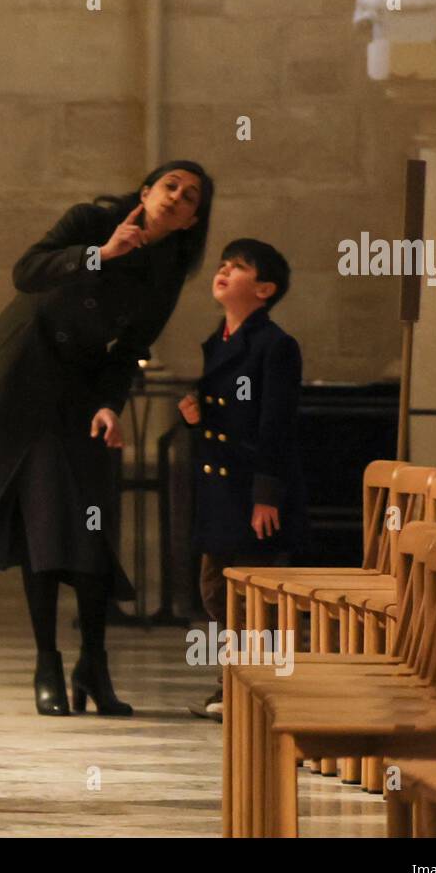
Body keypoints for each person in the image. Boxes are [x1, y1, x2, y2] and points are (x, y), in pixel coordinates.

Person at [0, 162, 215, 716]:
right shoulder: (92, 219)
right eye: (170, 186)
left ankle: (93, 661)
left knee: (92, 516)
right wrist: (101, 253)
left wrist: (111, 404)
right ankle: (46, 664)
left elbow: (131, 348)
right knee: (43, 516)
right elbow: (27, 271)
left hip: (84, 386)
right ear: (146, 192)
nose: (177, 197)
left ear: (190, 222)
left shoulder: (168, 272)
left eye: (190, 198)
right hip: (23, 374)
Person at [178, 239, 306, 722]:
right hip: (220, 490)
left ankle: (250, 688)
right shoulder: (219, 341)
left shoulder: (275, 346)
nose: (225, 271)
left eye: (239, 267)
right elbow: (222, 417)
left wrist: (267, 496)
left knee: (253, 591)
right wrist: (196, 416)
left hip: (253, 489)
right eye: (222, 264)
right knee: (215, 588)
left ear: (265, 289)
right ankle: (236, 681)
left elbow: (276, 424)